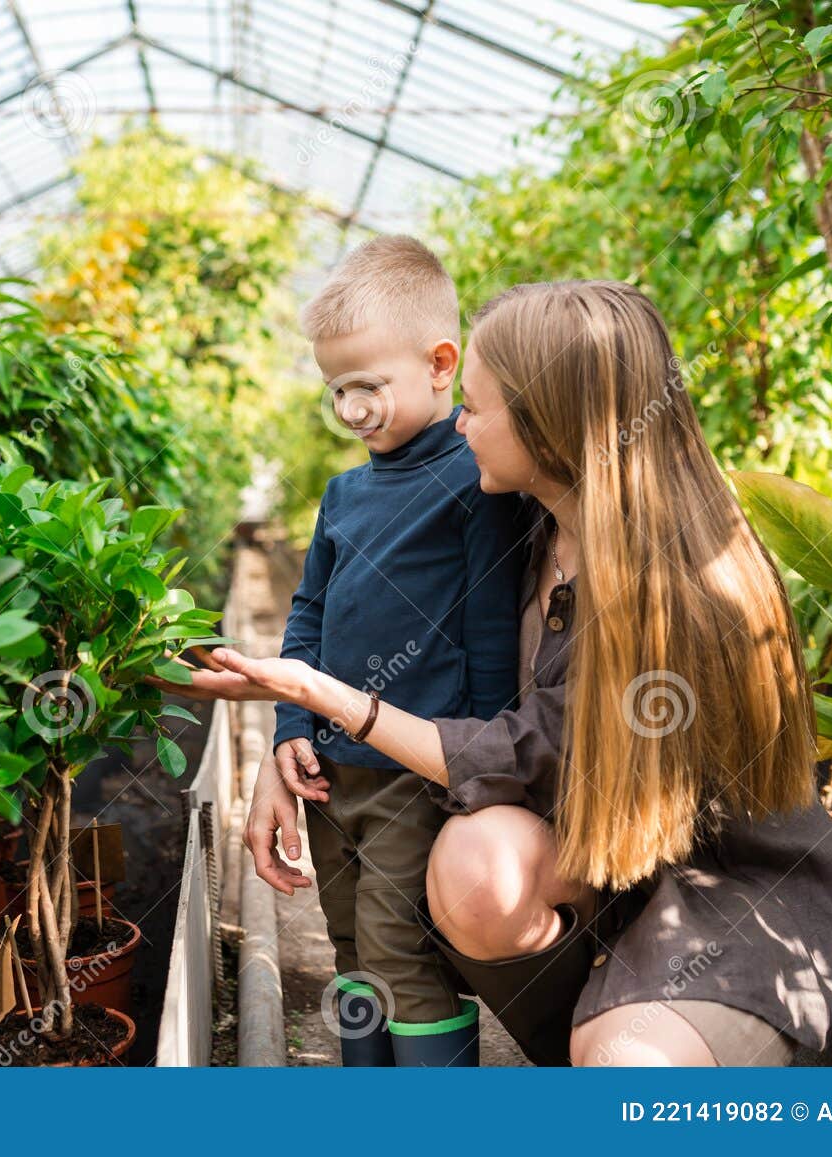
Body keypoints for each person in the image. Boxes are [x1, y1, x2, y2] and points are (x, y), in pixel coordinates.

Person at [166, 280, 832, 1067]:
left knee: (628, 1069)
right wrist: (285, 743)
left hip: (714, 895)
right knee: (473, 869)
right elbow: (361, 623)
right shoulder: (525, 526)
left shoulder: (683, 584)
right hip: (602, 859)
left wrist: (325, 699)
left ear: (550, 423)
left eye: (474, 405)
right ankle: (587, 1037)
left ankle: (640, 1038)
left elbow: (531, 749)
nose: (457, 425)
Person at [268, 235, 524, 1066]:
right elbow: (306, 614)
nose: (351, 409)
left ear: (441, 362)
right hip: (333, 772)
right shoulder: (342, 495)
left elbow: (490, 636)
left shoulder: (473, 481)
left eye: (369, 387)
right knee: (347, 943)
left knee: (399, 950)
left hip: (418, 772)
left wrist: (479, 774)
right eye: (337, 389)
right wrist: (286, 727)